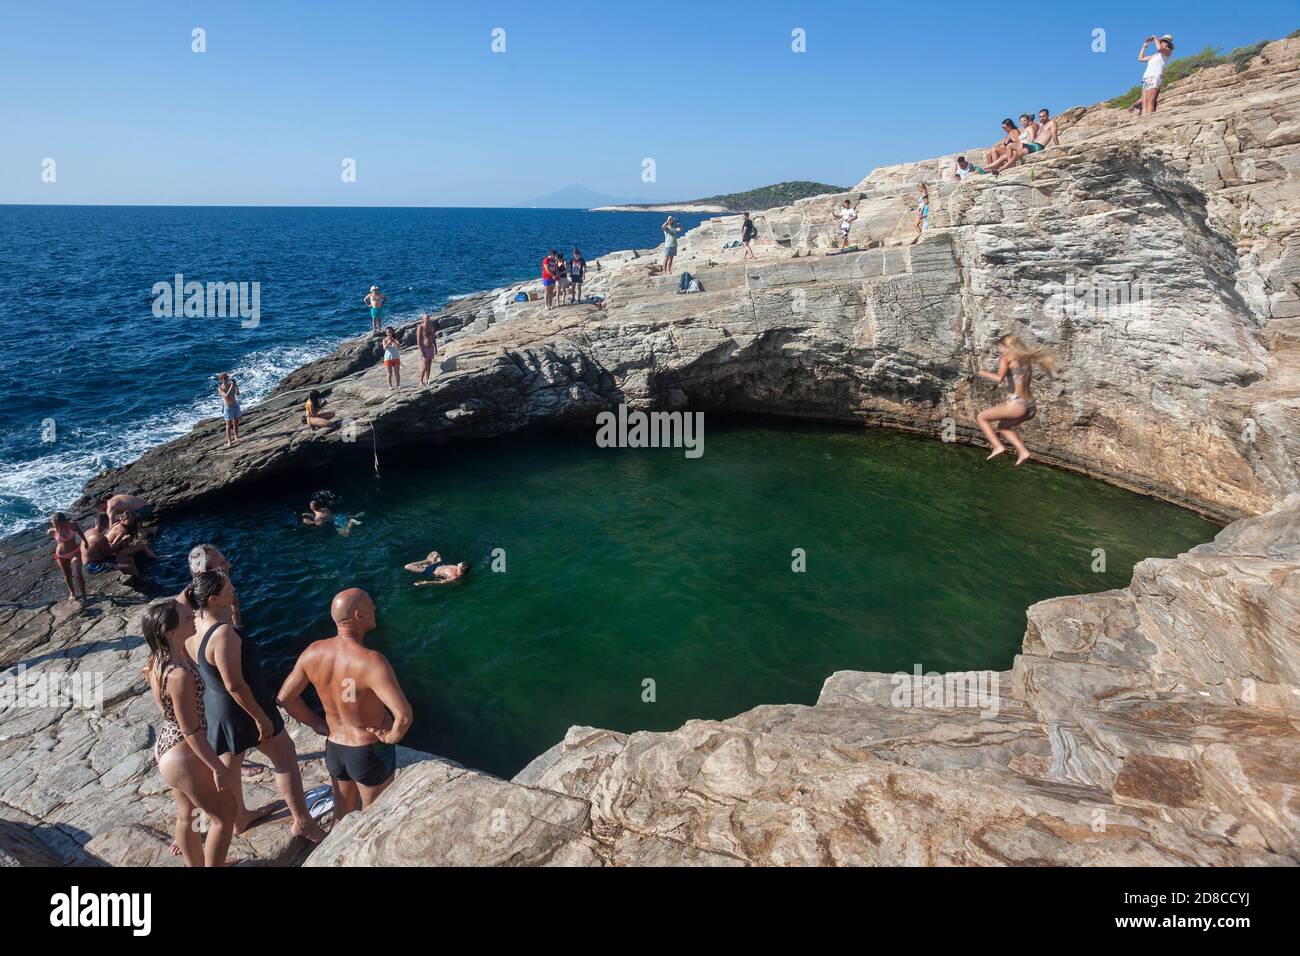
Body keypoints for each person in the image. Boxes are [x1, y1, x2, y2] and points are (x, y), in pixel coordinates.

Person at [183, 571, 326, 843]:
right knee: (285, 756)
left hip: (217, 707)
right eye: (228, 587)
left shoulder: (195, 623)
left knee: (231, 765)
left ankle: (239, 819)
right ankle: (303, 822)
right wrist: (260, 718)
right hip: (243, 708)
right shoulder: (222, 634)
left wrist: (234, 614)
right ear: (213, 599)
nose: (234, 588)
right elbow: (236, 685)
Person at [277, 589, 413, 820]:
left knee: (342, 814)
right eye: (372, 605)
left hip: (335, 750)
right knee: (374, 817)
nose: (376, 609)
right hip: (368, 751)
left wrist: (317, 724)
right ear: (359, 616)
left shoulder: (313, 652)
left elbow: (285, 698)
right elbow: (404, 716)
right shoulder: (371, 661)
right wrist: (391, 737)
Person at [141, 599, 237, 867]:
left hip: (168, 746)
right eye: (186, 618)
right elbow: (191, 729)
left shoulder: (159, 660)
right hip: (184, 753)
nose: (193, 616)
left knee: (188, 815)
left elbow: (169, 713)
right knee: (225, 816)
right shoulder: (179, 674)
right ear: (170, 633)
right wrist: (216, 766)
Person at [976, 334, 1056, 467]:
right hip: (1031, 407)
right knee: (1003, 427)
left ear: (1006, 347)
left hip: (1018, 405)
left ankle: (997, 446)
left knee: (981, 417)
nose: (1000, 351)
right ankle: (1023, 452)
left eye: (1001, 348)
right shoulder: (1026, 359)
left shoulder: (1006, 357)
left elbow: (999, 378)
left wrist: (982, 373)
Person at [48, 512, 88, 603]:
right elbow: (48, 532)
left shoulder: (73, 525)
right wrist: (54, 529)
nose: (55, 526)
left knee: (78, 574)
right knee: (67, 574)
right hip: (61, 555)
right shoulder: (54, 530)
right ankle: (72, 592)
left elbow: (80, 532)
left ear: (63, 521)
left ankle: (84, 595)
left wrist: (85, 542)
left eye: (56, 524)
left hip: (75, 552)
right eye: (54, 524)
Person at [106, 511, 155, 578]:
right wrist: (123, 540)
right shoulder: (123, 530)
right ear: (124, 519)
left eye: (133, 521)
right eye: (131, 520)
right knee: (144, 547)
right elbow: (112, 547)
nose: (132, 523)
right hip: (113, 552)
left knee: (137, 543)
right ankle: (155, 560)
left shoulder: (116, 523)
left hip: (107, 547)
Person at [1138, 35, 1174, 116]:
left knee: (1150, 101)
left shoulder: (1167, 51)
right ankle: (1144, 119)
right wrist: (1145, 46)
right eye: (1162, 41)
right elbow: (1140, 58)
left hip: (1155, 76)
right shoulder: (1155, 55)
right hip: (1146, 77)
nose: (1163, 43)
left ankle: (1149, 118)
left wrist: (1155, 38)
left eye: (1165, 41)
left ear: (1169, 44)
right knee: (1144, 102)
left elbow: (1159, 49)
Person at [217, 373, 241, 448]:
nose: (226, 379)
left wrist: (236, 386)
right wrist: (231, 386)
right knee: (228, 424)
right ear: (221, 380)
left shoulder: (231, 385)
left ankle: (236, 437)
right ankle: (229, 441)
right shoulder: (220, 388)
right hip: (228, 407)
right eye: (224, 378)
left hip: (235, 405)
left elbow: (238, 394)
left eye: (227, 377)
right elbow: (226, 396)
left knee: (236, 421)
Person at [417, 313, 438, 386]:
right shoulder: (420, 327)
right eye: (426, 318)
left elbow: (433, 338)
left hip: (431, 348)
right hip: (424, 349)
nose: (428, 319)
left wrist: (436, 348)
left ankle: (427, 379)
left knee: (429, 365)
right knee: (424, 366)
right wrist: (421, 351)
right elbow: (418, 341)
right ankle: (421, 381)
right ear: (423, 319)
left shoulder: (431, 326)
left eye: (429, 318)